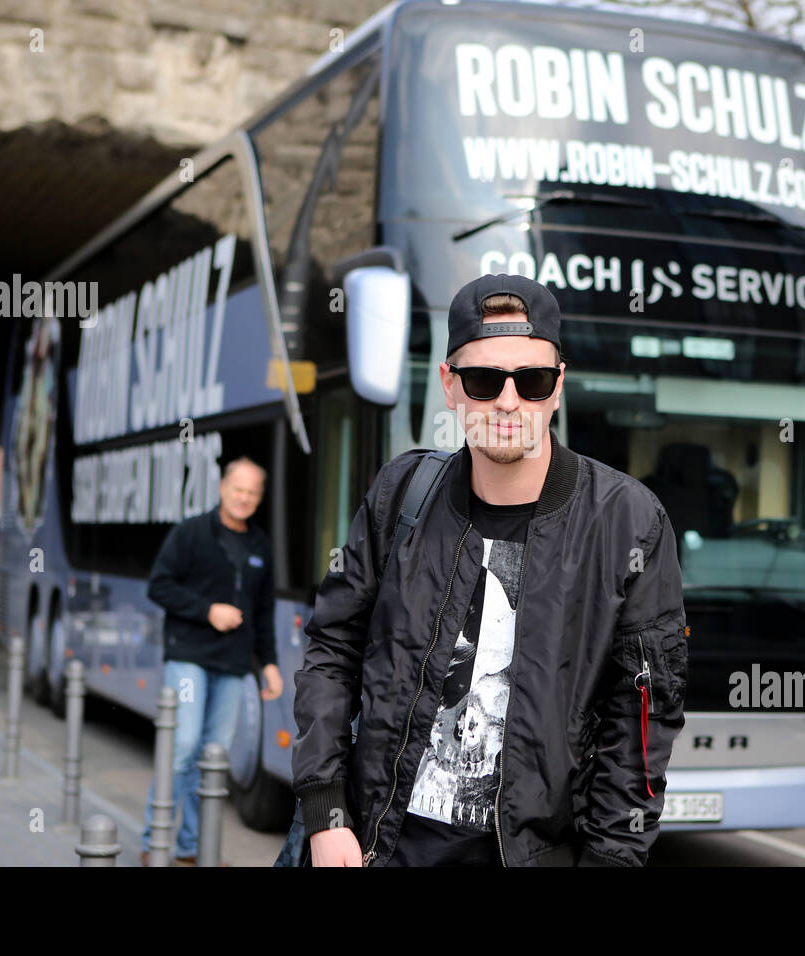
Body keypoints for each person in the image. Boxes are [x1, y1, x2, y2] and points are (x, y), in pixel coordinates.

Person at [292, 274, 688, 867]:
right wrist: (325, 815)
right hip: (379, 847)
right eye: (483, 379)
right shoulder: (403, 492)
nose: (508, 402)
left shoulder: (628, 521)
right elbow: (332, 647)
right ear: (450, 386)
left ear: (557, 386)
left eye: (530, 381)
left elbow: (641, 719)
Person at [140, 456, 283, 866]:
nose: (244, 498)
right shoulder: (191, 533)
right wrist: (208, 611)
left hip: (234, 665)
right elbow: (159, 586)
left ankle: (192, 848)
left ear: (259, 498)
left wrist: (268, 664)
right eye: (238, 489)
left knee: (213, 756)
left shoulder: (260, 545)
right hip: (189, 657)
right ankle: (156, 843)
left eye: (253, 492)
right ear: (223, 488)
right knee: (182, 747)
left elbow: (262, 611)